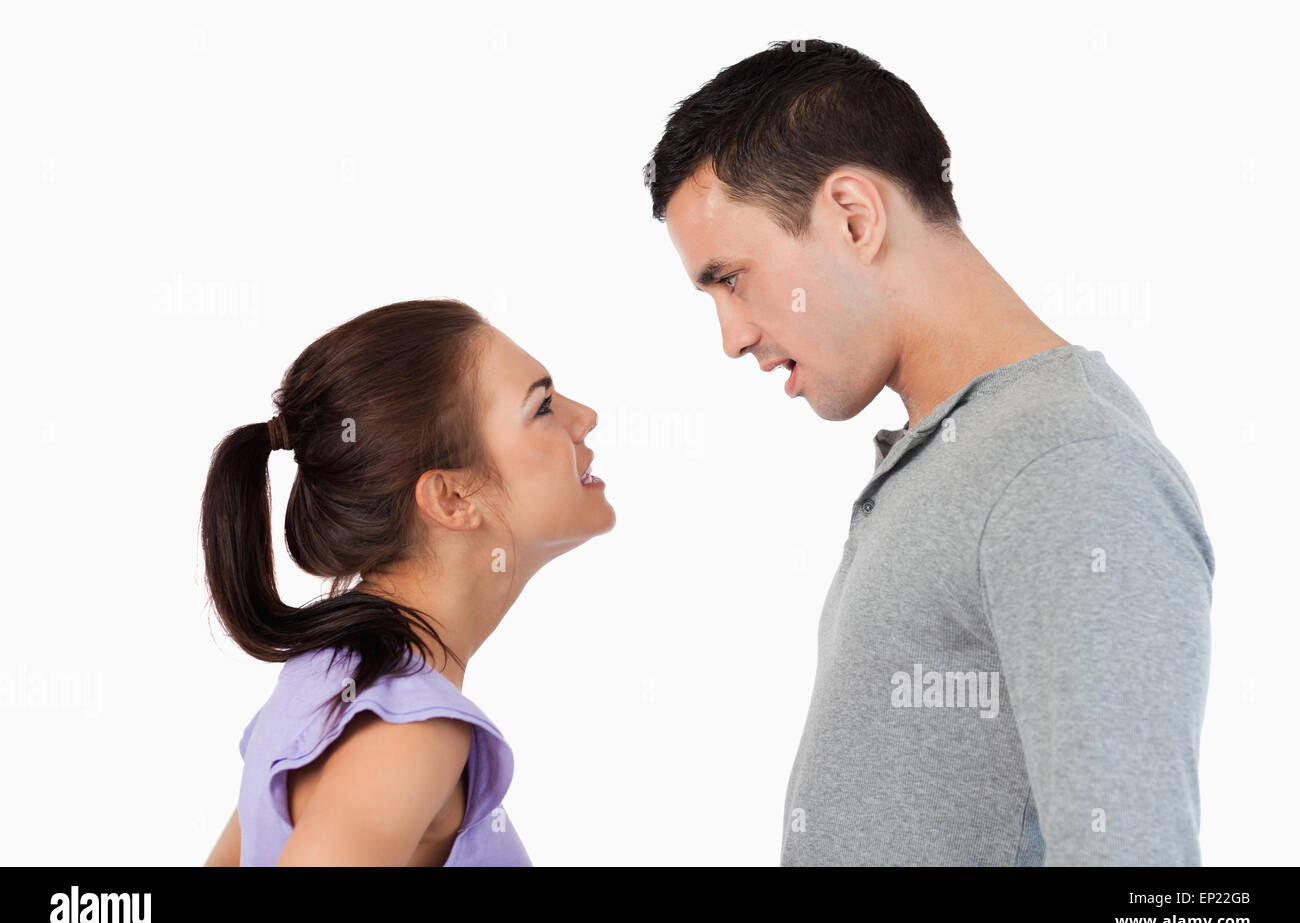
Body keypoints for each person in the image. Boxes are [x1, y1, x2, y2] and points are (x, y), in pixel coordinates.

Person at [644, 39, 1214, 865]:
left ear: (853, 216)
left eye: (731, 277)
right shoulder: (961, 451)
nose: (732, 338)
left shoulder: (1067, 466)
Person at [200, 299, 614, 866]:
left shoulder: (328, 676)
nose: (584, 415)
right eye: (542, 407)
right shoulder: (410, 731)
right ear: (451, 497)